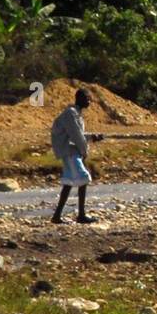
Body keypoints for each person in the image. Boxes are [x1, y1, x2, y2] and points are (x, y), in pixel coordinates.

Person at [50, 88, 101, 224]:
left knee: (68, 182)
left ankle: (57, 216)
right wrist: (85, 151)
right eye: (87, 99)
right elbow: (76, 136)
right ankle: (81, 215)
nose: (89, 101)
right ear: (79, 99)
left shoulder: (76, 114)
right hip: (70, 152)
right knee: (83, 178)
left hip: (70, 151)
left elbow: (78, 135)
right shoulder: (71, 114)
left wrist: (91, 137)